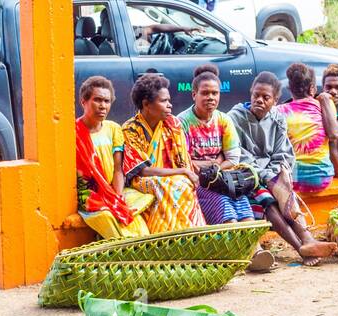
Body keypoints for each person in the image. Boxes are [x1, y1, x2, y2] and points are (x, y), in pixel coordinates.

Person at [228, 72, 336, 265]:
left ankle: (307, 240)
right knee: (267, 199)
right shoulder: (235, 119)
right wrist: (265, 175)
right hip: (247, 176)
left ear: (275, 100)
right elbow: (239, 155)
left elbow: (284, 153)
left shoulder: (277, 118)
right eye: (256, 96)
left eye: (266, 97)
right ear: (251, 93)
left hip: (272, 175)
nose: (259, 100)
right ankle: (302, 246)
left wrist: (273, 174)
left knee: (283, 189)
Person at [121, 72, 206, 233]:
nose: (170, 105)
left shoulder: (173, 123)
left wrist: (184, 172)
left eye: (169, 100)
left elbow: (182, 160)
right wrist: (182, 172)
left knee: (183, 183)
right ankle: (169, 234)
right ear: (146, 104)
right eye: (164, 101)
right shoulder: (130, 129)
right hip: (142, 179)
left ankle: (192, 233)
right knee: (170, 184)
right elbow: (143, 170)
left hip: (173, 176)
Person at [75, 76, 151, 240]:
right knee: (108, 217)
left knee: (138, 212)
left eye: (107, 101)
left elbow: (118, 169)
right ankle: (121, 255)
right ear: (84, 102)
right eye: (97, 100)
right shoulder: (74, 132)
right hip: (89, 193)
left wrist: (117, 196)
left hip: (112, 189)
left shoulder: (113, 129)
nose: (103, 106)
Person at [178, 65, 254, 224]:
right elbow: (182, 163)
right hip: (196, 181)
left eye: (215, 93)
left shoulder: (224, 120)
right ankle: (233, 247)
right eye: (205, 93)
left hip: (223, 176)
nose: (211, 97)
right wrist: (215, 162)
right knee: (224, 207)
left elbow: (233, 159)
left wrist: (214, 168)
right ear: (194, 95)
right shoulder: (182, 122)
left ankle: (257, 249)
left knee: (243, 206)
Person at [275, 62, 338, 192]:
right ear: (312, 88)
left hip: (294, 181)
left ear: (289, 89)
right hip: (323, 178)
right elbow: (333, 137)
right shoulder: (324, 106)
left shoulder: (279, 111)